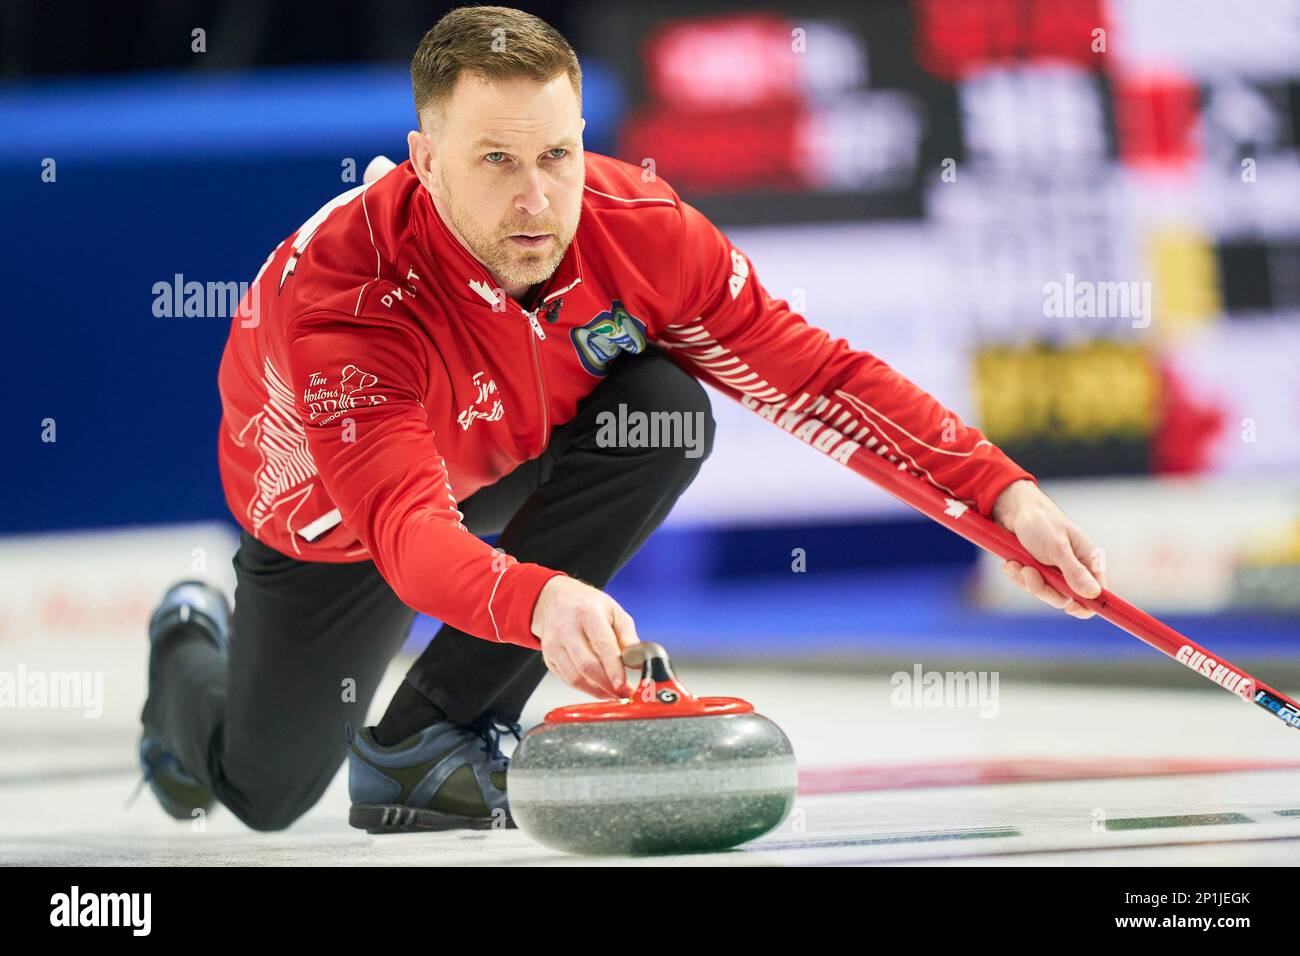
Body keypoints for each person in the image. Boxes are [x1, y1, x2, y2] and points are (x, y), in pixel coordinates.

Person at [139, 5, 1107, 834]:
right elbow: (406, 534)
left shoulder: (637, 226)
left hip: (503, 448)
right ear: (425, 161)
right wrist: (542, 600)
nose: (536, 199)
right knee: (262, 792)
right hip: (339, 522)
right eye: (496, 161)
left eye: (557, 154)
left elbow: (816, 379)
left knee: (663, 409)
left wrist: (1000, 493)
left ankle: (429, 735)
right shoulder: (346, 301)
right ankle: (188, 636)